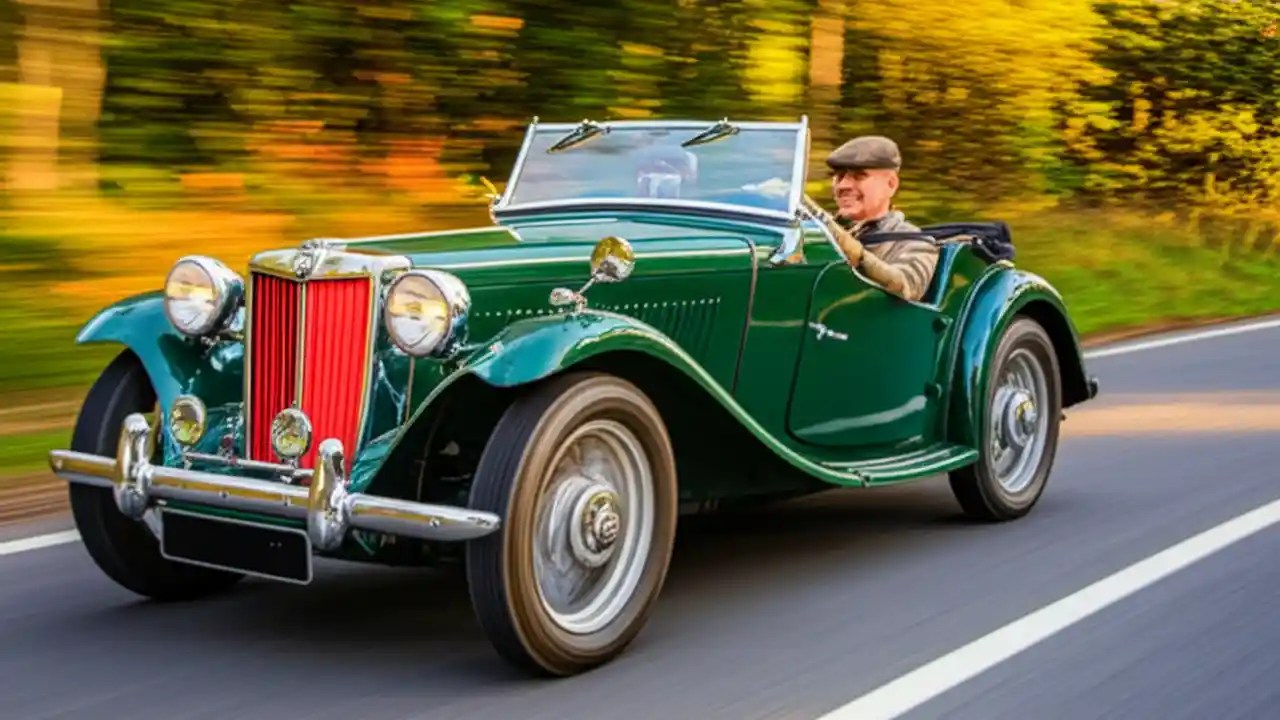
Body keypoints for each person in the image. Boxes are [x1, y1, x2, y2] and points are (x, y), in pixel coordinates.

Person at [802, 135, 939, 303]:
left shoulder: (915, 242)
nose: (843, 185)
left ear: (891, 184)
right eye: (840, 176)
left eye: (859, 176)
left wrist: (852, 251)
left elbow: (905, 285)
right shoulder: (813, 232)